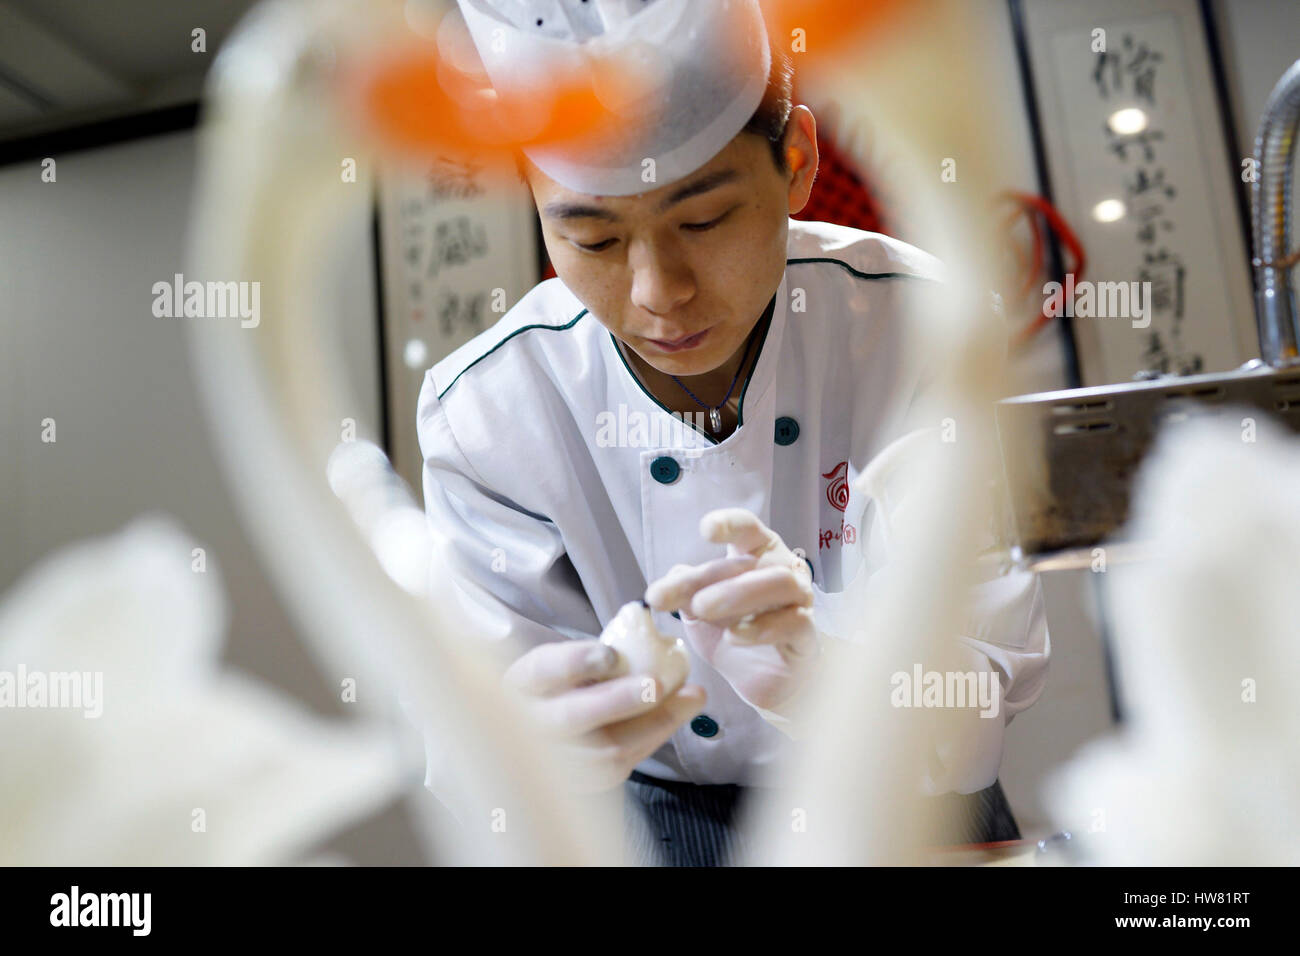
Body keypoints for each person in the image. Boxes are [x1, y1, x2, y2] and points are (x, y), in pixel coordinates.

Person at [417, 0, 1048, 865]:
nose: (658, 292)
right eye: (594, 239)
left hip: (912, 788)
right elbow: (470, 752)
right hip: (657, 821)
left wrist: (832, 666)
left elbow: (986, 671)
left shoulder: (921, 327)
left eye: (702, 221)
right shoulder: (490, 411)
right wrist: (532, 744)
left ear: (796, 162)